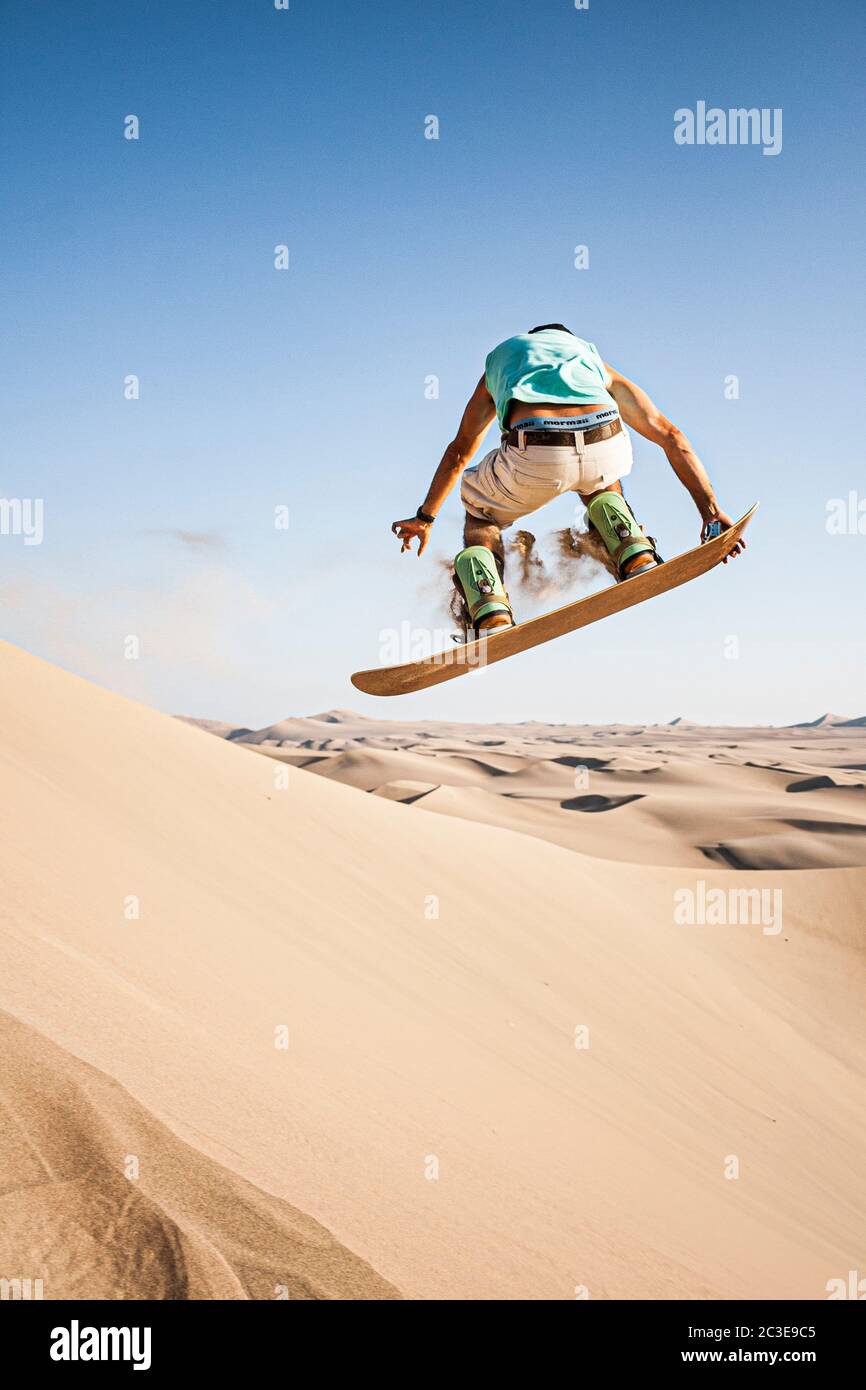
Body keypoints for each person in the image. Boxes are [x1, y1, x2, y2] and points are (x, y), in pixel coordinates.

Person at [392, 324, 745, 637]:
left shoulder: (500, 364)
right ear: (566, 340)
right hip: (606, 439)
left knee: (480, 511)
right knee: (603, 480)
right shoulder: (589, 359)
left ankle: (489, 607)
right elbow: (672, 436)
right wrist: (710, 512)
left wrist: (425, 518)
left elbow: (459, 454)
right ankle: (631, 547)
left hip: (536, 449)